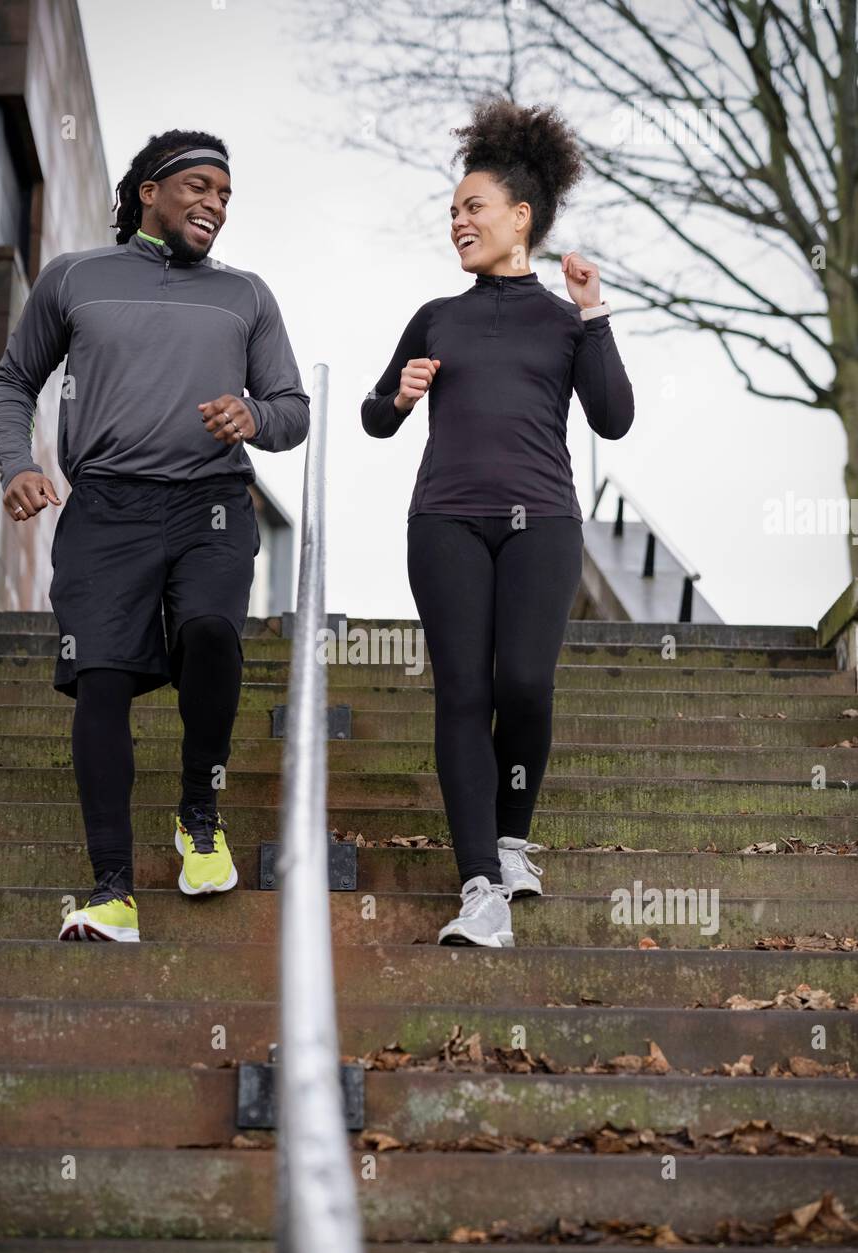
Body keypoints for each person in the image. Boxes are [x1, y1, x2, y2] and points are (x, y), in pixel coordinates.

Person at [0, 129, 309, 943]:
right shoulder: (75, 279)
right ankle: (111, 891)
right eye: (199, 187)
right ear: (148, 193)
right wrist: (15, 465)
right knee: (98, 679)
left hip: (210, 504)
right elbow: (13, 380)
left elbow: (292, 409)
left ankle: (199, 814)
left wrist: (254, 417)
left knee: (209, 632)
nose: (214, 205)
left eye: (226, 195)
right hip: (104, 509)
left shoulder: (247, 295)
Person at [361, 98, 634, 948]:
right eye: (451, 212)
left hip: (541, 520)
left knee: (523, 682)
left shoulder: (564, 320)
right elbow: (375, 416)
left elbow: (613, 419)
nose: (457, 222)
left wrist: (593, 312)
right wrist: (397, 397)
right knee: (463, 692)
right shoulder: (435, 315)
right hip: (444, 518)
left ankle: (512, 840)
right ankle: (479, 884)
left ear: (521, 218)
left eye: (471, 208)